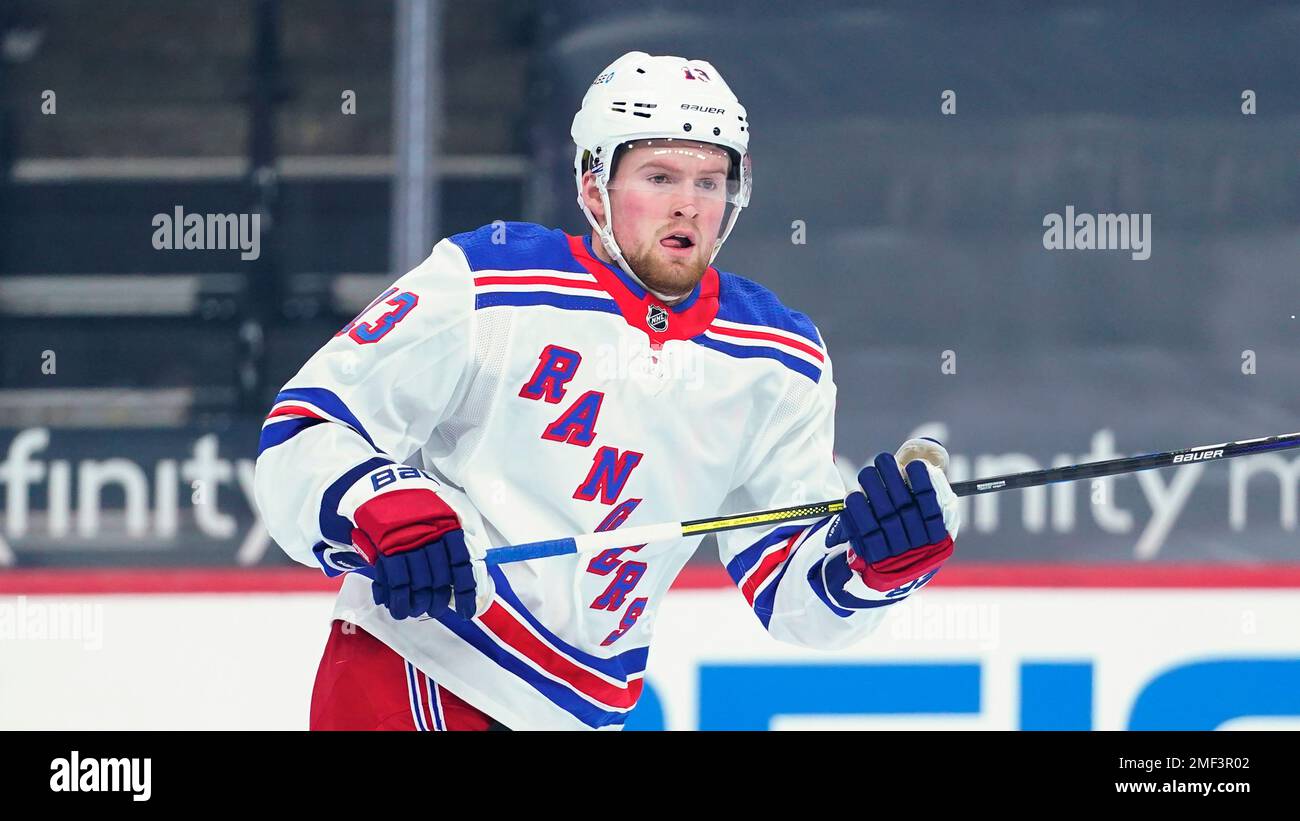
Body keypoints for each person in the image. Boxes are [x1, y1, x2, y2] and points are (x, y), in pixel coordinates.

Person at [253, 51, 961, 731]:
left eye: (709, 182)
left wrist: (874, 564)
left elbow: (792, 591)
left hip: (580, 711)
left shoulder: (780, 358)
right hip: (417, 668)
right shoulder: (492, 281)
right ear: (594, 187)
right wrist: (381, 501)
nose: (688, 204)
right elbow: (304, 430)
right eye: (659, 176)